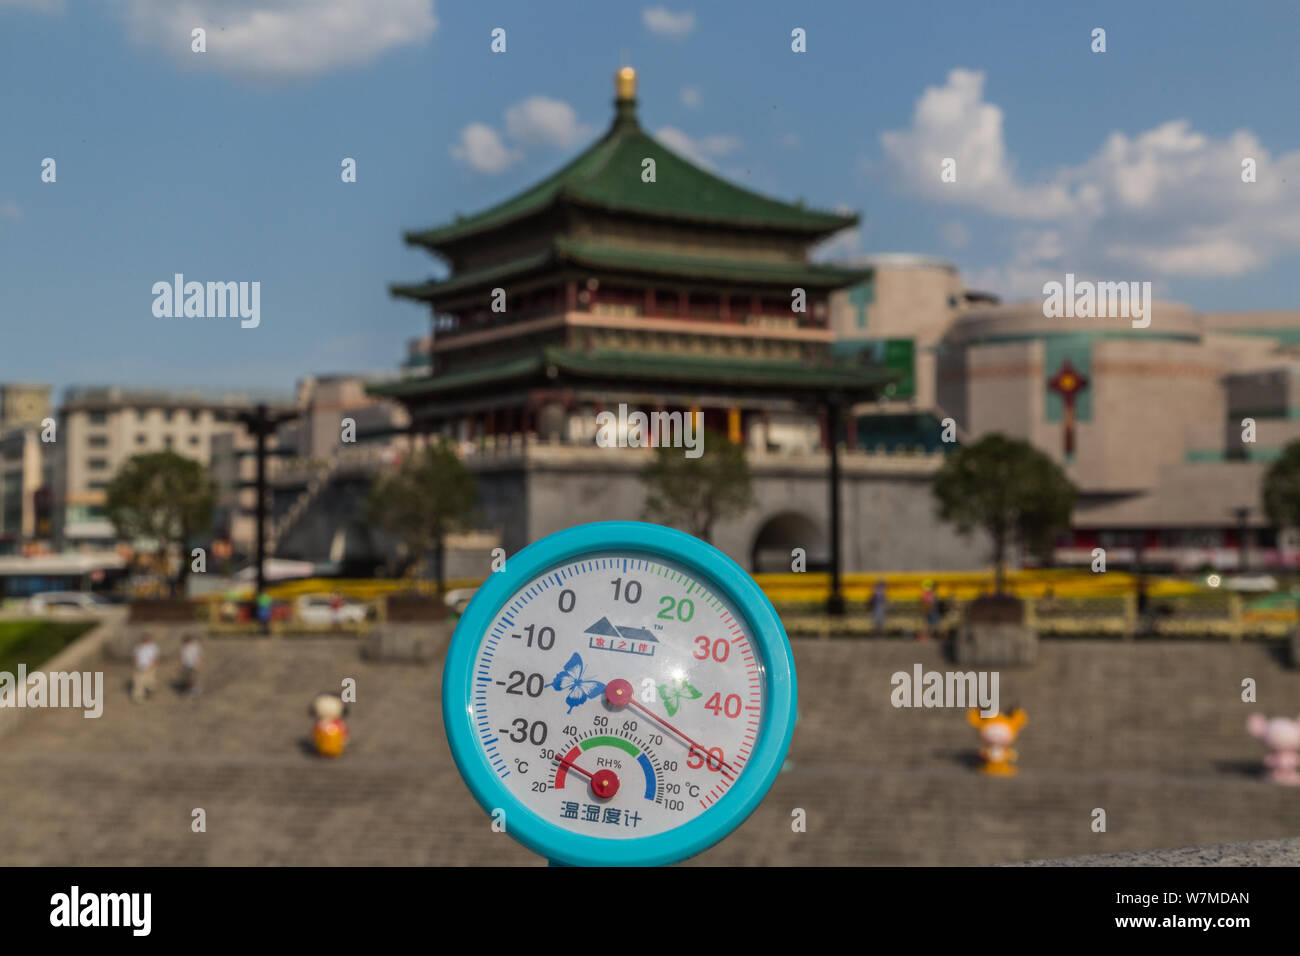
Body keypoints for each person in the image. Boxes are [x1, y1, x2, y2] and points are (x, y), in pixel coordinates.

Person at [130, 633, 159, 703]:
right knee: (138, 683)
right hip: (139, 667)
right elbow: (135, 657)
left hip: (149, 668)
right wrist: (134, 664)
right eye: (144, 638)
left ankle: (150, 692)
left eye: (146, 638)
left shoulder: (153, 647)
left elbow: (155, 657)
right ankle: (138, 697)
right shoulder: (138, 647)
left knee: (149, 682)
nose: (145, 639)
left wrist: (153, 665)